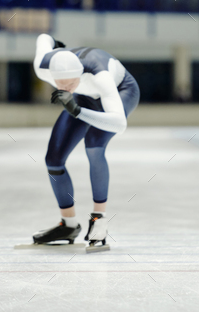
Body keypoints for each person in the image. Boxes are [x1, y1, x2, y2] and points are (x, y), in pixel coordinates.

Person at [31, 34, 140, 249]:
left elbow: (119, 123)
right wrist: (54, 43)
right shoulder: (42, 66)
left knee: (94, 144)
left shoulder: (100, 74)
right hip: (83, 97)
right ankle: (68, 224)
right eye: (60, 85)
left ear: (80, 73)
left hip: (121, 92)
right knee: (53, 159)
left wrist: (77, 111)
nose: (66, 89)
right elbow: (43, 37)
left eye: (71, 83)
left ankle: (99, 220)